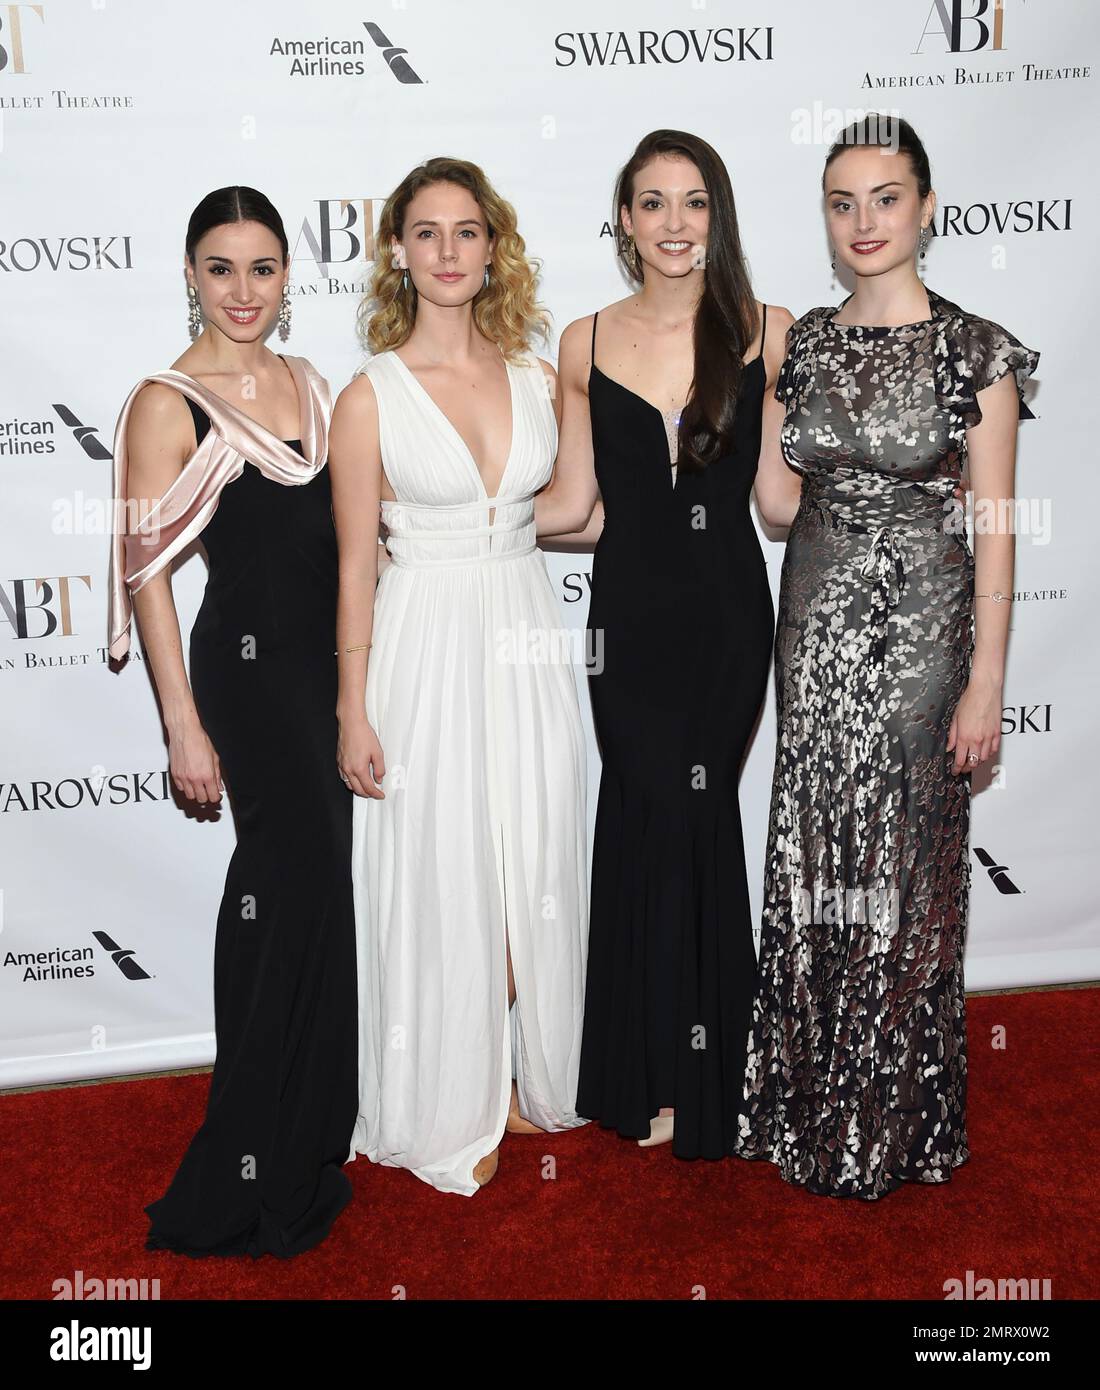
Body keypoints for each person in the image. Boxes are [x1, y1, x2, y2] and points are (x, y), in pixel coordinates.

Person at [735, 116, 1039, 1199]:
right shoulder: (802, 340)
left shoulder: (975, 350)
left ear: (923, 208)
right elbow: (777, 500)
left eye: (884, 197)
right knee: (816, 855)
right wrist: (757, 404)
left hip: (921, 636)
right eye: (841, 201)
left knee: (903, 867)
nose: (862, 222)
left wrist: (986, 680)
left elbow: (994, 526)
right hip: (811, 629)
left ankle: (893, 1116)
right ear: (824, 218)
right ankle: (811, 1105)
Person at [535, 129, 797, 1157]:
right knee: (641, 811)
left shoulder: (767, 329)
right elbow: (572, 502)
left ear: (715, 215)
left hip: (727, 616)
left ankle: (707, 1080)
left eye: (692, 202)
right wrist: (444, 522)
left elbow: (775, 499)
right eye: (652, 202)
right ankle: (644, 1071)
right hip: (626, 618)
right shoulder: (583, 340)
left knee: (696, 820)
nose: (674, 223)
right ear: (625, 219)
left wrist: (884, 492)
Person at [330, 158, 589, 1195]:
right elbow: (356, 564)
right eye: (426, 232)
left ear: (493, 248)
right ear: (397, 249)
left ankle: (526, 1076)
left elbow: (575, 510)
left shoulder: (536, 378)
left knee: (532, 849)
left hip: (522, 623)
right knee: (437, 865)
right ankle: (446, 1093)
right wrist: (351, 705)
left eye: (466, 232)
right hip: (422, 637)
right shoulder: (368, 396)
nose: (446, 252)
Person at [108, 186, 357, 1254]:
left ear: (288, 277)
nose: (242, 290)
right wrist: (181, 723)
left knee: (310, 897)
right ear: (189, 273)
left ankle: (303, 1132)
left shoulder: (310, 382)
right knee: (278, 889)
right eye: (221, 267)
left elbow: (349, 544)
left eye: (262, 268)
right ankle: (247, 1152)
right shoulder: (168, 401)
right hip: (246, 680)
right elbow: (147, 576)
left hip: (321, 672)